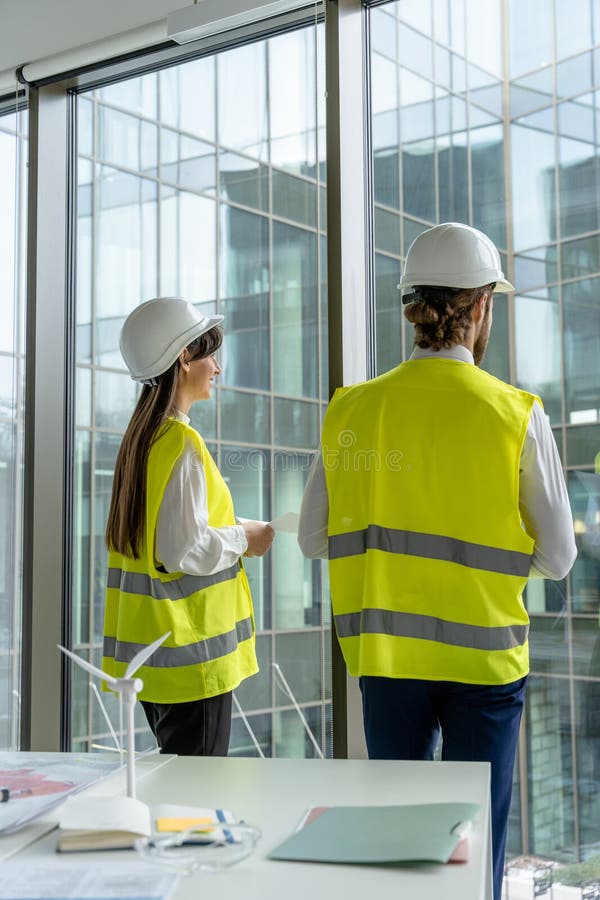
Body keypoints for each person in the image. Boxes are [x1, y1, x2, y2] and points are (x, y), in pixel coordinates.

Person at [297, 222, 577, 900]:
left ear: (412, 308)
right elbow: (560, 557)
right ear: (481, 307)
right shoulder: (513, 413)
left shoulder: (354, 411)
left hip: (388, 664)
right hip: (485, 667)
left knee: (402, 853)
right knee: (475, 852)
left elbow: (312, 538)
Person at [102, 296, 274, 757]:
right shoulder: (180, 441)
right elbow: (183, 549)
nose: (216, 368)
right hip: (191, 658)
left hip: (157, 657)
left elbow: (168, 531)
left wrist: (235, 526)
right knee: (195, 799)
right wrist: (246, 539)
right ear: (184, 358)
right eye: (210, 355)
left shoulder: (143, 439)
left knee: (180, 790)